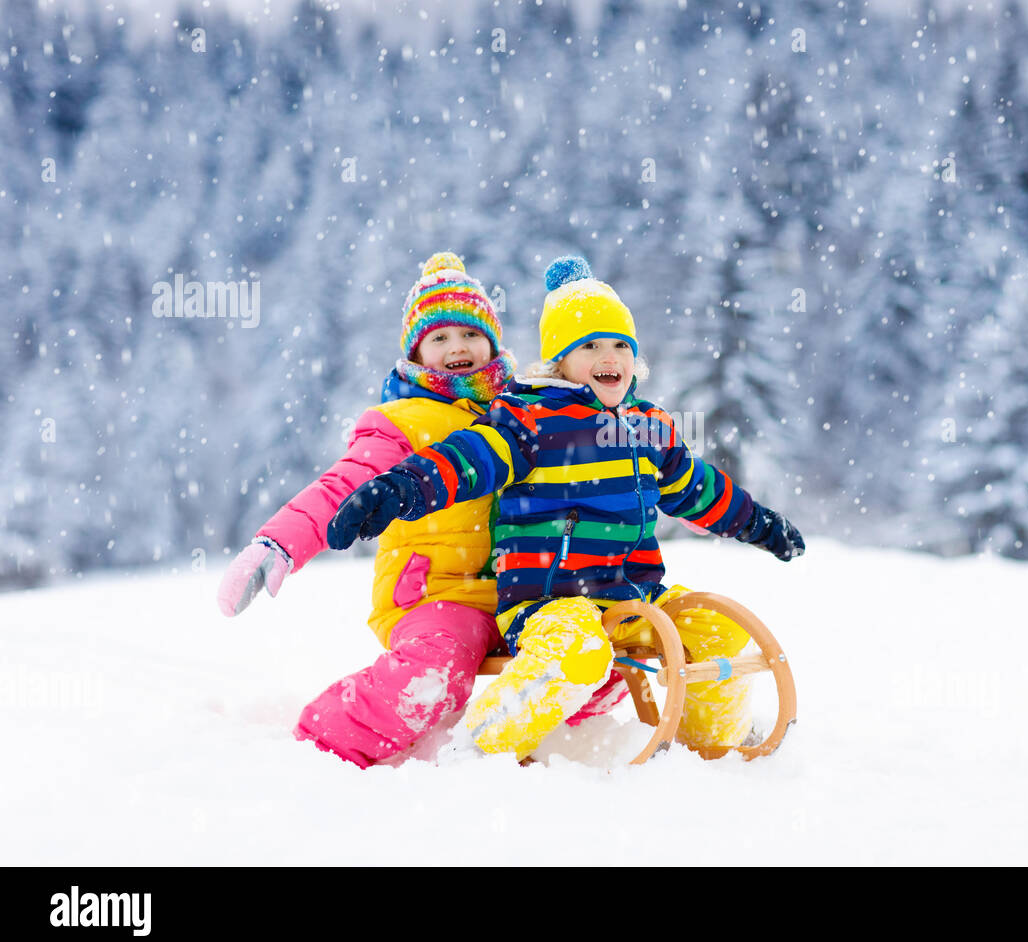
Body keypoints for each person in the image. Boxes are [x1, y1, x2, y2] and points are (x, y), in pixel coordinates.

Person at [327, 255, 805, 761]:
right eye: (590, 345)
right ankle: (484, 744)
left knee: (718, 629)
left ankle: (711, 743)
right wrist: (398, 489)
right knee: (576, 653)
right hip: (548, 602)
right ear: (560, 361)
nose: (609, 356)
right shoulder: (529, 417)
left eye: (621, 345)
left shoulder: (649, 426)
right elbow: (465, 461)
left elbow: (699, 490)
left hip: (634, 596)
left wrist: (759, 523)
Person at [216, 251, 518, 768]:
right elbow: (343, 485)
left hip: (522, 589)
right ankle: (322, 744)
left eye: (469, 334)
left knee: (584, 647)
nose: (457, 349)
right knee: (436, 672)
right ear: (417, 353)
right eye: (439, 338)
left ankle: (548, 742)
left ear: (491, 340)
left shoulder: (521, 412)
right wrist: (279, 544)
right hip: (434, 594)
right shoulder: (400, 421)